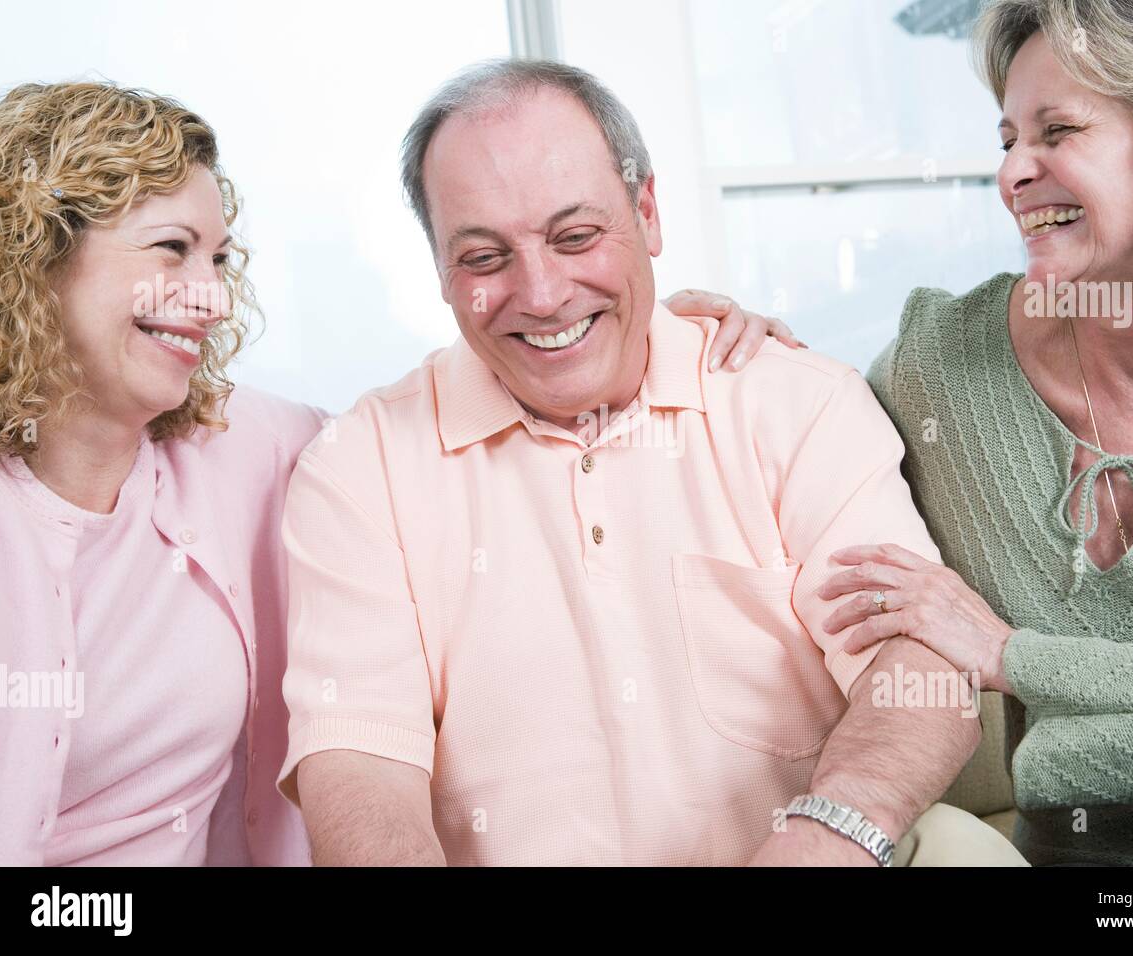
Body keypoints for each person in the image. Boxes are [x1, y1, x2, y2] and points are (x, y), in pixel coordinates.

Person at [0, 81, 774, 866]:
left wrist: (649, 334)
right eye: (171, 250)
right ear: (36, 254)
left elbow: (433, 428)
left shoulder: (248, 447)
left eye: (219, 258)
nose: (213, 298)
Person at [277, 59, 1028, 866]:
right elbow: (358, 769)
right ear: (440, 269)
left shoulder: (792, 400)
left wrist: (821, 841)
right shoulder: (360, 466)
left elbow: (917, 666)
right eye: (485, 259)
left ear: (647, 212)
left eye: (575, 238)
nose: (541, 293)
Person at [818, 0, 1133, 866]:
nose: (1013, 175)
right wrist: (706, 344)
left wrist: (1017, 663)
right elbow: (795, 427)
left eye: (1057, 132)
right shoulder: (947, 373)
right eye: (1006, 141)